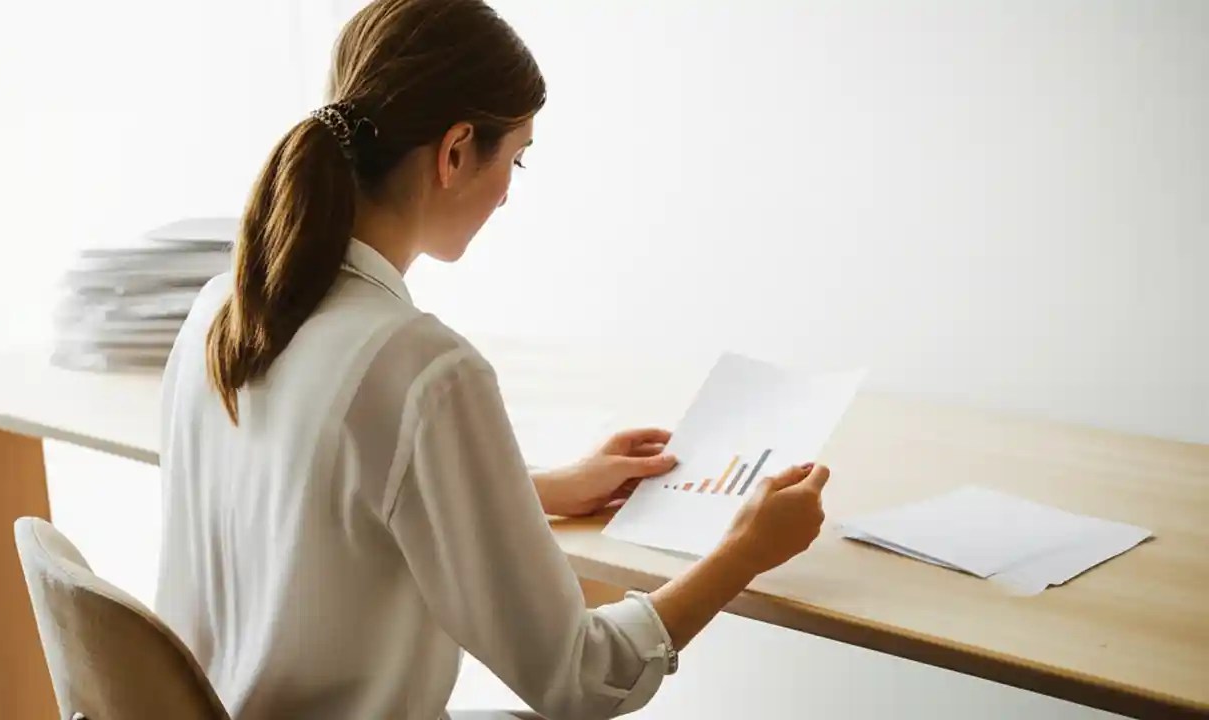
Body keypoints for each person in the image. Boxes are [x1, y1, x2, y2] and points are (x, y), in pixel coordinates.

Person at [156, 1, 831, 718]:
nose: (510, 190)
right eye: (517, 157)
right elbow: (580, 678)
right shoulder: (422, 369)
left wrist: (536, 488)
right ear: (454, 153)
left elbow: (324, 499)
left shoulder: (220, 310)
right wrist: (743, 554)